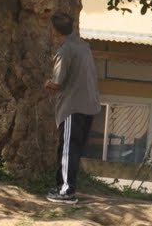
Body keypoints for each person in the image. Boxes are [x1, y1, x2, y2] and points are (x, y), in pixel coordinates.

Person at [43, 11, 101, 205]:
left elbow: (58, 83)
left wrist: (47, 83)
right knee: (72, 149)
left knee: (68, 150)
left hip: (72, 107)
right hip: (89, 106)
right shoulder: (83, 46)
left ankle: (67, 191)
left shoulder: (65, 50)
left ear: (54, 30)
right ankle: (62, 186)